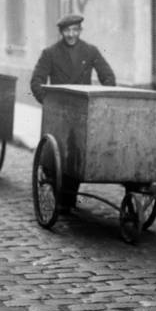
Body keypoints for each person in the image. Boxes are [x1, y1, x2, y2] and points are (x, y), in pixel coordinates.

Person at [30, 13, 117, 212]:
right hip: (60, 112)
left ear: (79, 31)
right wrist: (49, 102)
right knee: (60, 153)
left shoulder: (90, 51)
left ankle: (69, 194)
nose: (71, 34)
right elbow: (36, 81)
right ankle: (59, 188)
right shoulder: (50, 53)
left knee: (80, 151)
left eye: (75, 30)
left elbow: (108, 76)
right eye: (67, 31)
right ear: (61, 32)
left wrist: (104, 98)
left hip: (84, 110)